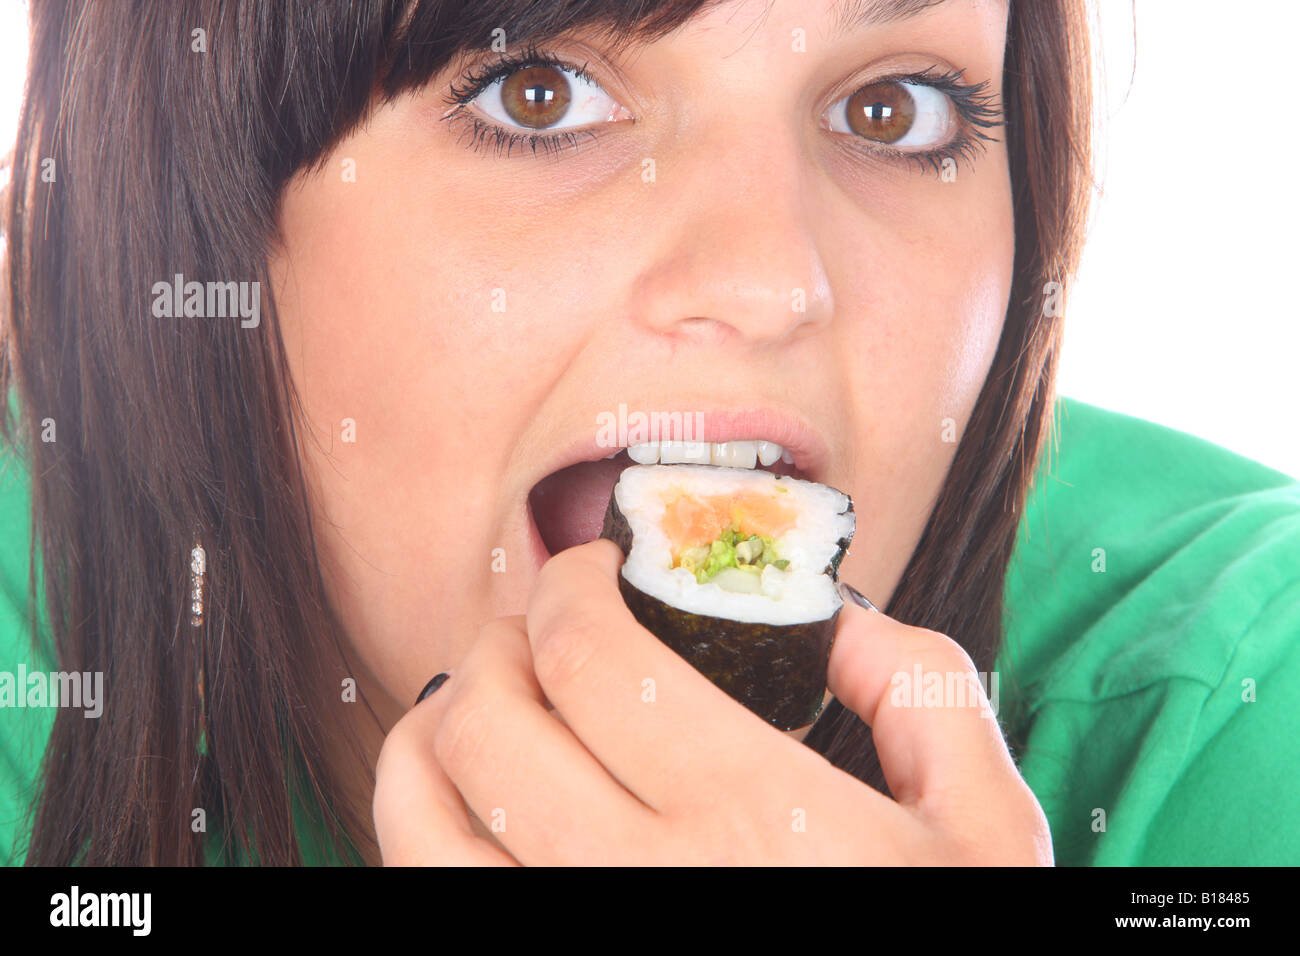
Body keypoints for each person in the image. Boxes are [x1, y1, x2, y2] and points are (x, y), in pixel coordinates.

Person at [1, 0, 1295, 866]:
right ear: (193, 213)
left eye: (896, 108)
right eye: (542, 94)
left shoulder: (1249, 710)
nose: (775, 281)